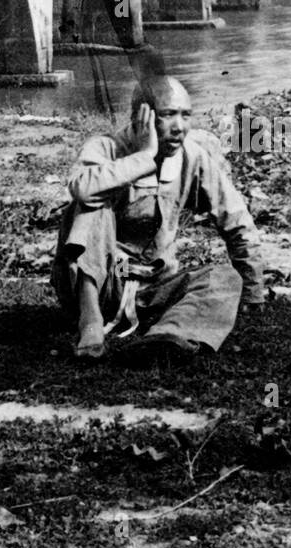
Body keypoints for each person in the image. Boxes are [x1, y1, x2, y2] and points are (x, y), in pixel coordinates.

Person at [51, 74, 264, 361]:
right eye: (168, 115)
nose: (179, 127)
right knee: (91, 203)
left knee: (224, 277)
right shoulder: (106, 148)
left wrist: (252, 290)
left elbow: (236, 220)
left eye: (186, 115)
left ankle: (167, 336)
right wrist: (145, 155)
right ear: (143, 116)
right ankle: (90, 323)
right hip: (101, 284)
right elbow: (81, 188)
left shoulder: (192, 156)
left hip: (154, 287)